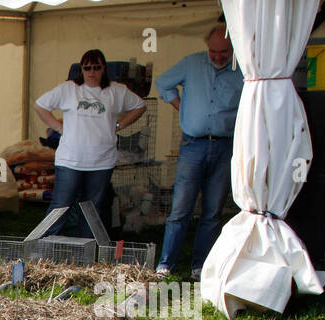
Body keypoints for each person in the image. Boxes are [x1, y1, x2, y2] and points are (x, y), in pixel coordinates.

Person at [155, 24, 243, 280]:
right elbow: (163, 84)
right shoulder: (192, 63)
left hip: (226, 144)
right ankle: (166, 263)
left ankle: (200, 265)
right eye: (213, 51)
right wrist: (181, 107)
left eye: (224, 52)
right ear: (207, 47)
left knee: (213, 210)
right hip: (193, 144)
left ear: (233, 49)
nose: (217, 56)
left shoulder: (242, 70)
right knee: (180, 208)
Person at [34, 49, 145, 238]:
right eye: (87, 68)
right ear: (81, 70)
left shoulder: (116, 90)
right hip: (70, 160)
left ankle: (84, 252)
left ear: (104, 69)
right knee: (60, 206)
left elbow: (139, 106)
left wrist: (119, 124)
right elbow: (40, 105)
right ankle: (42, 248)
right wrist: (58, 127)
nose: (91, 72)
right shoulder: (68, 89)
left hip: (101, 162)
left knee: (92, 210)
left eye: (96, 67)